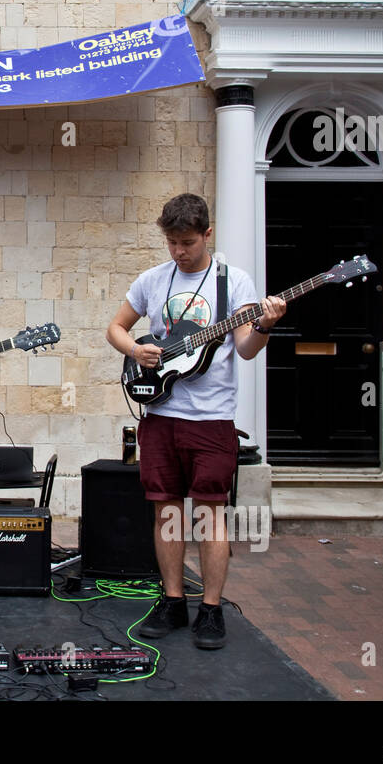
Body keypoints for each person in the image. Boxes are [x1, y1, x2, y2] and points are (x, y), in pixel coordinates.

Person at [105, 193, 285, 649]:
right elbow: (116, 327)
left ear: (208, 234)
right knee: (166, 510)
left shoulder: (234, 283)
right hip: (162, 413)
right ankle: (173, 601)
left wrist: (264, 325)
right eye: (171, 243)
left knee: (208, 514)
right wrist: (135, 350)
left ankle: (211, 608)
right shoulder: (153, 279)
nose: (178, 252)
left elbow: (244, 349)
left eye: (186, 242)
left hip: (211, 418)